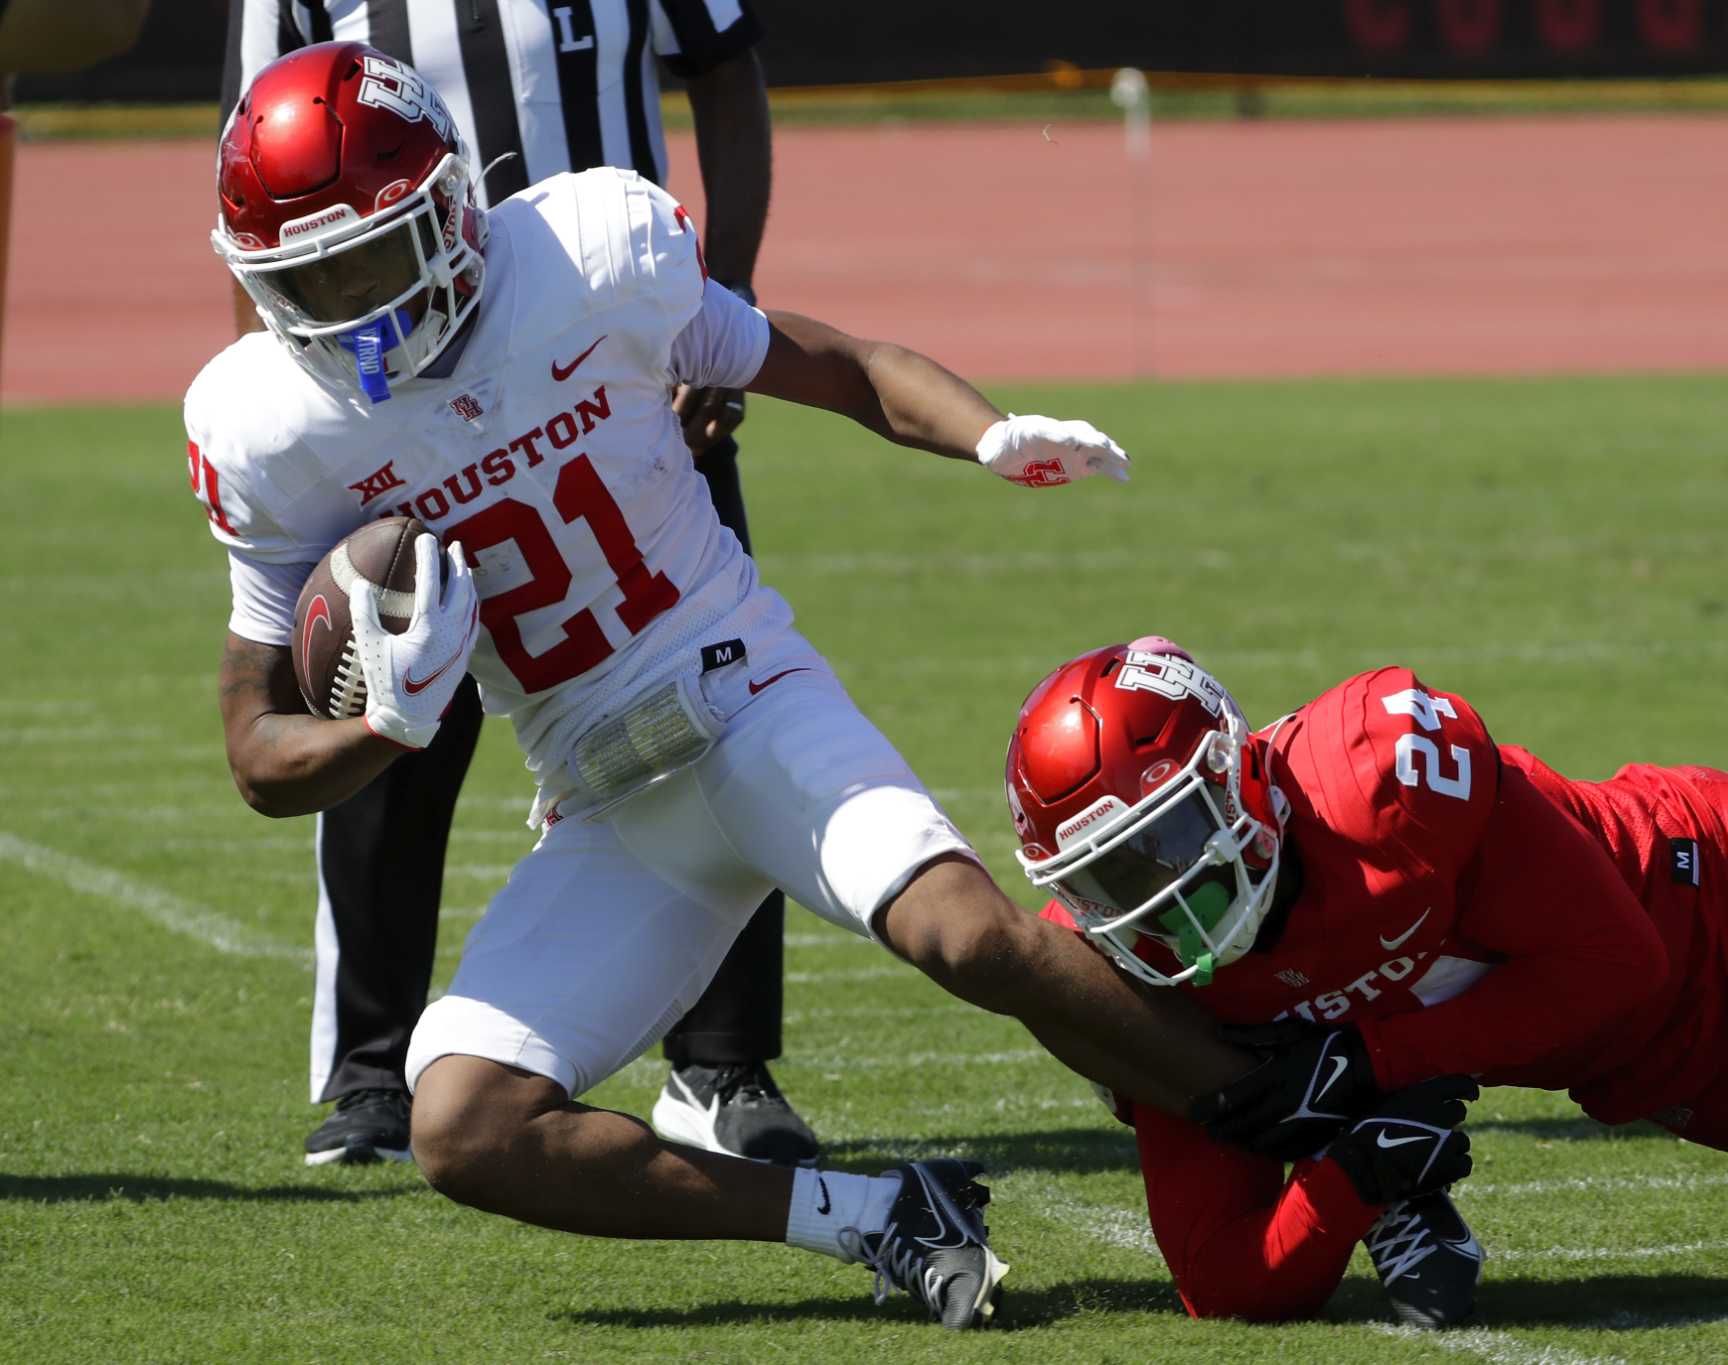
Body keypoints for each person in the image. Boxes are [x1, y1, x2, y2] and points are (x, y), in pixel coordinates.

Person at [188, 42, 1272, 1329]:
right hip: (607, 800)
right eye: (302, 279)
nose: (339, 307)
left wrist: (987, 432)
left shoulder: (586, 258)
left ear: (446, 211)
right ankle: (877, 1217)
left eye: (363, 260)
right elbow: (255, 752)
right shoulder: (271, 427)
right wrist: (386, 727)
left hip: (744, 693)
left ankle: (1290, 1102)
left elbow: (836, 363)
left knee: (966, 936)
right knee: (464, 1126)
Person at [1002, 637, 1728, 1323]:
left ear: (1233, 772)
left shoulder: (1375, 781)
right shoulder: (1135, 978)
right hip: (1711, 1072)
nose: (1160, 894)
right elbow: (1220, 1277)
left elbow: (1617, 959)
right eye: (1110, 877)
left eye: (1167, 836)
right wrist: (1351, 1177)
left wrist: (1375, 1059)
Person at [219, 0, 812, 1166]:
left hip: (613, 364)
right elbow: (252, 170)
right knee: (379, 704)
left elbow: (723, 69)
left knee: (717, 686)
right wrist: (299, 395)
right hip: (391, 382)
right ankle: (375, 1072)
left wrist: (724, 291)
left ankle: (721, 1065)